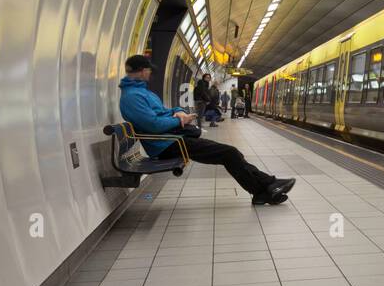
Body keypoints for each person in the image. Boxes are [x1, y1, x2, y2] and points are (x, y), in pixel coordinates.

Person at [120, 55, 293, 205]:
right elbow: (154, 125)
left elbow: (166, 112)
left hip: (173, 139)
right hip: (167, 145)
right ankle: (267, 186)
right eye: (148, 70)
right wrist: (178, 121)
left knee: (231, 153)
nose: (150, 73)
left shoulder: (144, 94)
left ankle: (264, 190)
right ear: (142, 71)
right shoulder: (133, 97)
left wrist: (178, 112)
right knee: (229, 153)